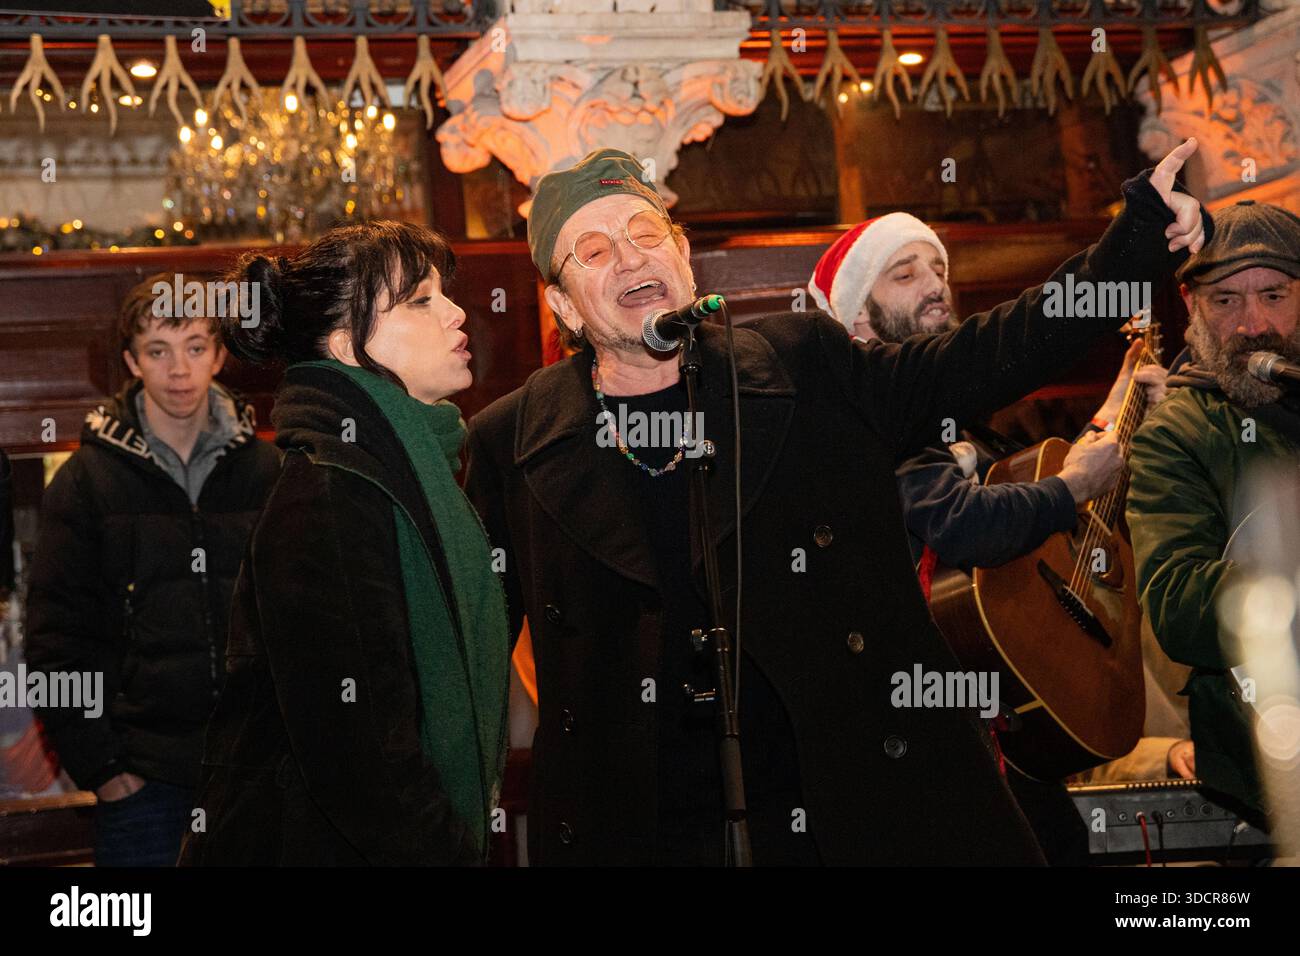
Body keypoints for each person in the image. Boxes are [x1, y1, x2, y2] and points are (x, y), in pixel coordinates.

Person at [463, 142, 1209, 865]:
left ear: (683, 255)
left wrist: (1134, 242)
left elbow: (986, 354)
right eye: (592, 251)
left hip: (842, 812)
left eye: (645, 233)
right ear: (561, 301)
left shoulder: (804, 365)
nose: (629, 258)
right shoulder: (511, 444)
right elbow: (469, 659)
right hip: (648, 829)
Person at [808, 212, 1169, 864]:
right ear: (855, 321)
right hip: (909, 748)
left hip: (974, 727)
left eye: (939, 268)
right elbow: (962, 525)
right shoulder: (870, 426)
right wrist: (1070, 490)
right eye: (905, 272)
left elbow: (1022, 520)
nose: (935, 283)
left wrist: (1118, 411)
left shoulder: (963, 432)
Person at [178, 220, 510, 866]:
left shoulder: (409, 469)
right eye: (419, 300)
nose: (455, 313)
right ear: (344, 345)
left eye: (445, 294)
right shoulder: (329, 493)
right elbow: (365, 761)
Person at [25, 274, 280, 866]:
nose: (180, 370)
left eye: (195, 347)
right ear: (131, 362)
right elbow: (55, 641)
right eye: (158, 351)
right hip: (142, 786)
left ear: (219, 355)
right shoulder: (85, 484)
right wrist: (105, 768)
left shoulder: (270, 471)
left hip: (255, 774)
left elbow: (306, 618)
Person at [1127, 199, 1300, 831]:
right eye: (1226, 301)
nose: (1253, 325)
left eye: (1274, 295)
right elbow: (1175, 605)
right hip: (1268, 751)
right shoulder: (1176, 432)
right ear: (1191, 306)